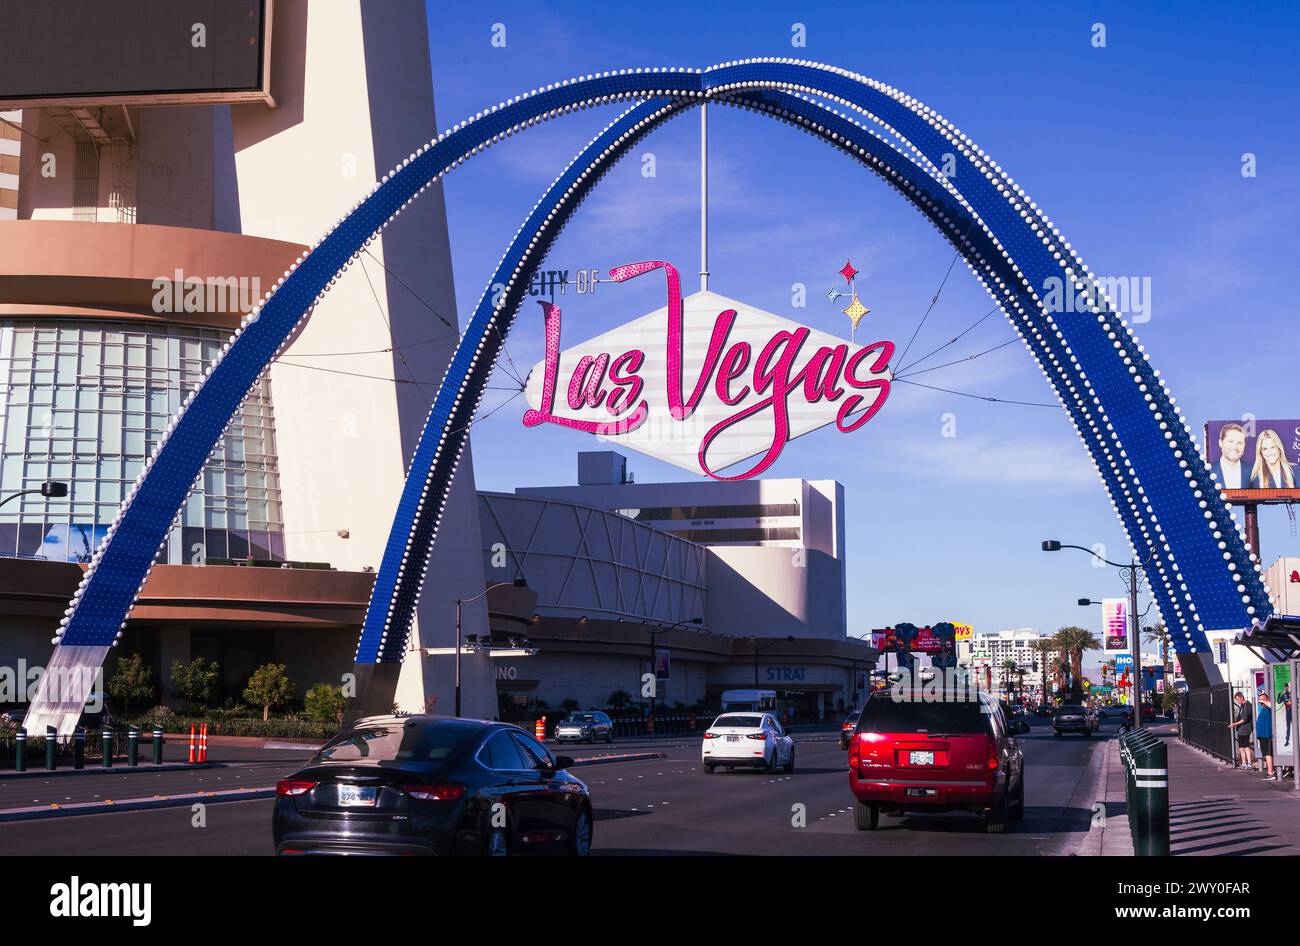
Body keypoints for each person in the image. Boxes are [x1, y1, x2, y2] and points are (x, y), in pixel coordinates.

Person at [1216, 423, 1248, 489]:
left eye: (1240, 443)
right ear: (1220, 443)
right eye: (1231, 441)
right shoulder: (1209, 471)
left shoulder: (1252, 471)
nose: (1235, 447)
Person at [1228, 691, 1255, 770]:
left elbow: (1244, 719)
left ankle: (1249, 763)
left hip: (1245, 729)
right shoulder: (1243, 706)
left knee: (1246, 747)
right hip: (1241, 729)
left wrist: (1234, 724)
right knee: (1241, 747)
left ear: (1241, 697)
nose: (1237, 701)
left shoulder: (1247, 705)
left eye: (1238, 699)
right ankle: (1244, 763)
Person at [1256, 692, 1276, 780]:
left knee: (1268, 754)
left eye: (1262, 700)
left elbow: (1273, 705)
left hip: (1266, 735)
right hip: (1262, 736)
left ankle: (1270, 772)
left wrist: (1263, 701)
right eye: (1260, 701)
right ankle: (1270, 771)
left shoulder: (1269, 707)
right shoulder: (1263, 709)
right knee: (1266, 754)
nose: (1261, 703)